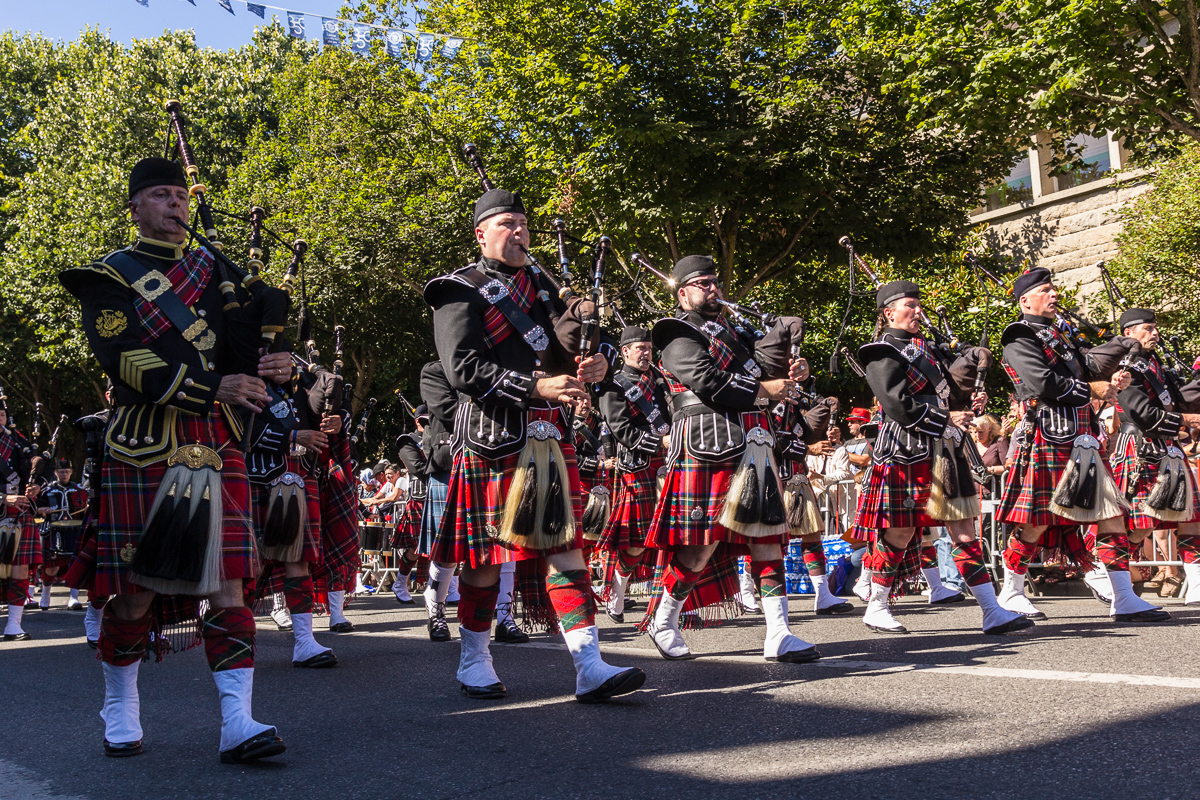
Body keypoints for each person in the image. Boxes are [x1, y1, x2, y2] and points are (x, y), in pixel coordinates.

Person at [57, 157, 289, 761]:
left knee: (230, 585)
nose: (176, 205)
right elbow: (123, 356)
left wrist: (278, 360)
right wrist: (211, 388)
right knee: (134, 592)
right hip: (145, 443)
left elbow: (254, 341)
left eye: (181, 196)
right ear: (134, 207)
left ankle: (237, 720)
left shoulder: (222, 273)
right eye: (161, 196)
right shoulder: (111, 275)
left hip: (218, 439)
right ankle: (120, 703)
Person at [424, 187, 643, 702]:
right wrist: (535, 386)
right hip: (493, 439)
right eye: (506, 224)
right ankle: (474, 659)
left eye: (523, 222)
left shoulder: (547, 291)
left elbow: (592, 344)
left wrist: (601, 361)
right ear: (481, 234)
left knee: (565, 550)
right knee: (482, 562)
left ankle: (589, 667)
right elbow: (462, 369)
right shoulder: (459, 290)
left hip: (549, 436)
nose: (519, 231)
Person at [640, 254, 820, 663]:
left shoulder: (736, 332)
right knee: (700, 547)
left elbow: (764, 372)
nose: (712, 289)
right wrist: (765, 390)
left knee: (767, 539)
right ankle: (663, 619)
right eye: (701, 283)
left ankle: (779, 633)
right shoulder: (675, 332)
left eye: (714, 282)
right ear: (682, 292)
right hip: (707, 444)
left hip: (754, 445)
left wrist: (791, 365)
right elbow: (707, 381)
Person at [852, 279, 1032, 636]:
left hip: (945, 450)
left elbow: (946, 392)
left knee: (964, 530)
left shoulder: (928, 348)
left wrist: (966, 397)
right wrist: (947, 418)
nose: (918, 311)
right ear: (889, 313)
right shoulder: (880, 351)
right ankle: (876, 606)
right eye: (910, 305)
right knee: (900, 533)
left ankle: (991, 610)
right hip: (905, 450)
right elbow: (897, 406)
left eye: (919, 305)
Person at [997, 269, 1169, 623]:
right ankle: (1011, 591)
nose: (1055, 294)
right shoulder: (1018, 336)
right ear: (1026, 300)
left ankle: (1123, 597)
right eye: (1046, 290)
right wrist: (1093, 390)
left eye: (1053, 289)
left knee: (1111, 516)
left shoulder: (1060, 334)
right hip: (1048, 435)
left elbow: (1088, 365)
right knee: (1036, 522)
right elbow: (1042, 382)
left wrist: (1118, 356)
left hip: (1082, 438)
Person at [1105, 308, 1200, 607]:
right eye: (1147, 328)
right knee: (1141, 525)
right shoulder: (1126, 368)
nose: (1155, 333)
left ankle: (1197, 584)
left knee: (1191, 518)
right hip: (1141, 447)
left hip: (1168, 447)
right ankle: (1107, 571)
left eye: (1155, 327)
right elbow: (1142, 413)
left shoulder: (1154, 363)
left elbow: (1177, 399)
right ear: (1129, 334)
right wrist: (1186, 420)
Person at [596, 325, 670, 623]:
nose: (646, 353)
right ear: (625, 352)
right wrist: (658, 442)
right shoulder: (613, 384)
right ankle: (617, 587)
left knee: (674, 535)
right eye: (640, 348)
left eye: (649, 348)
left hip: (669, 462)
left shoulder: (660, 379)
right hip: (637, 466)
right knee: (637, 541)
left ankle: (667, 607)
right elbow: (621, 429)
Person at [0, 390, 40, 641]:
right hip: (5, 506)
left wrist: (37, 485)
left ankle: (13, 626)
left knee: (20, 570)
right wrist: (4, 498)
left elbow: (37, 465)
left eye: (2, 414)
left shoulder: (18, 440)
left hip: (20, 515)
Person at [35, 458, 88, 610]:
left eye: (67, 472)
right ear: (56, 473)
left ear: (71, 472)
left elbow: (87, 507)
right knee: (51, 568)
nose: (64, 474)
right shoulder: (46, 490)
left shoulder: (80, 489)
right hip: (52, 531)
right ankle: (45, 595)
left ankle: (73, 598)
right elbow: (35, 506)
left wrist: (87, 508)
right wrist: (41, 509)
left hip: (74, 531)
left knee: (75, 565)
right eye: (61, 472)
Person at [392, 407, 431, 606]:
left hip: (441, 494)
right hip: (420, 496)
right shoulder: (408, 440)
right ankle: (400, 583)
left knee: (446, 546)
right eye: (424, 421)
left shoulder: (441, 436)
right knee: (416, 547)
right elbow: (418, 467)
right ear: (417, 421)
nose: (428, 424)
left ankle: (449, 587)